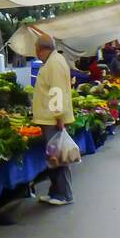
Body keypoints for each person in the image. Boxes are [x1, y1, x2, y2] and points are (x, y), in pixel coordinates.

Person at [31, 34, 75, 205]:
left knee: (58, 158)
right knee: (53, 157)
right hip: (49, 118)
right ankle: (55, 191)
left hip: (53, 119)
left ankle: (64, 194)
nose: (36, 53)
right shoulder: (52, 61)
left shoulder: (54, 63)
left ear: (41, 49)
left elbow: (56, 92)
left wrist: (59, 117)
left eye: (36, 49)